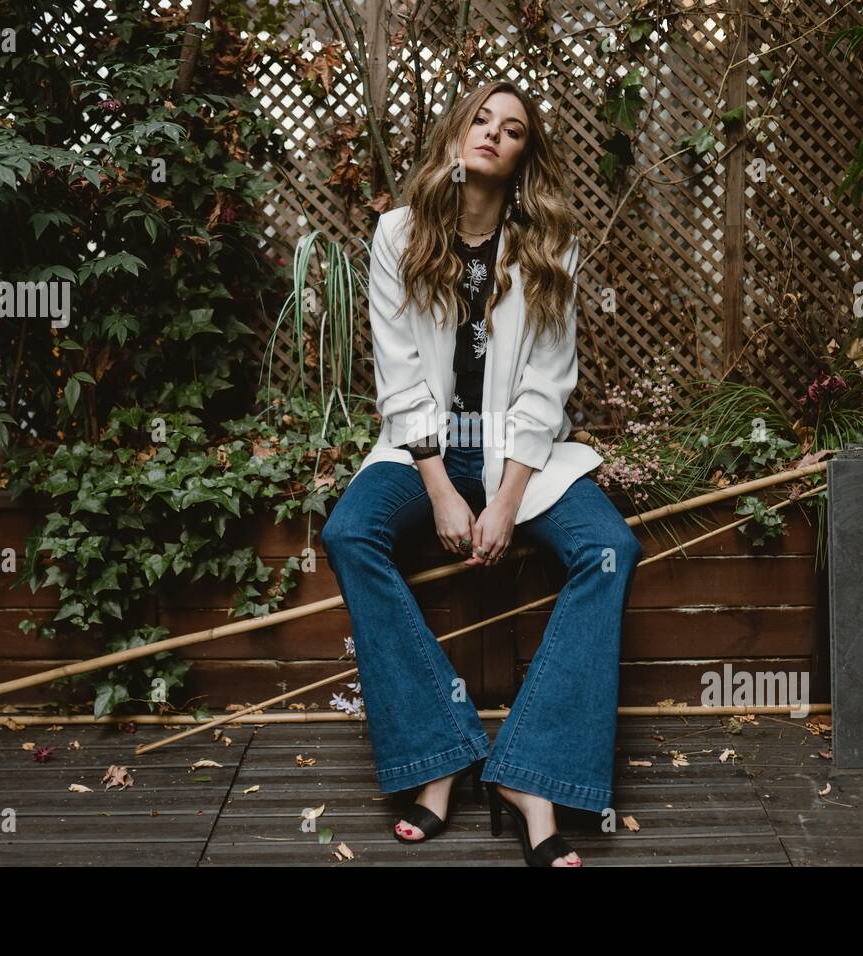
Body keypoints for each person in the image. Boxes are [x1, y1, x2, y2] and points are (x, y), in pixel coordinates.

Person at [320, 80, 642, 867]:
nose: (493, 136)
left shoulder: (546, 241)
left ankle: (530, 777)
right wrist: (437, 488)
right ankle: (439, 753)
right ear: (457, 133)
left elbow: (548, 382)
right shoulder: (399, 234)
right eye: (482, 121)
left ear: (526, 155)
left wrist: (503, 502)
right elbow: (398, 378)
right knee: (350, 532)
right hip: (421, 449)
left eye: (514, 130)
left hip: (519, 456)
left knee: (609, 549)